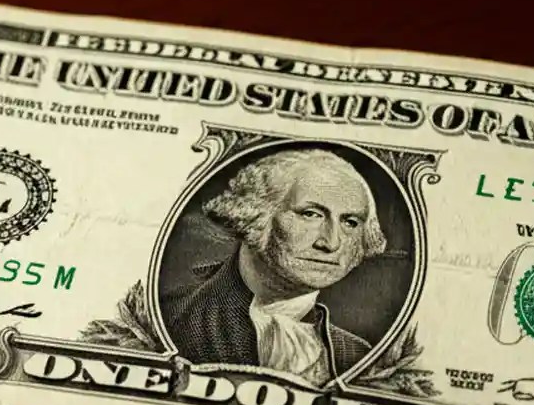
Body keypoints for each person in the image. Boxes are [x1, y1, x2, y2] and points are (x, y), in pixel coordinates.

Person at [160, 147, 388, 385]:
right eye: (310, 214)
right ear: (254, 215)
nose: (331, 243)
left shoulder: (358, 355)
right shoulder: (173, 318)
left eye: (350, 222)